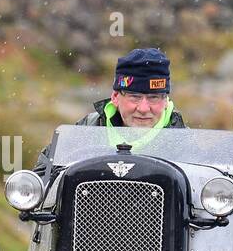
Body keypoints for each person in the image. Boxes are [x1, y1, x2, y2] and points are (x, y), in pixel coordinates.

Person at [35, 47, 185, 171]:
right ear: (115, 97)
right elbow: (43, 175)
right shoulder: (87, 128)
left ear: (165, 100)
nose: (144, 108)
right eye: (134, 96)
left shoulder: (184, 142)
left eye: (154, 97)